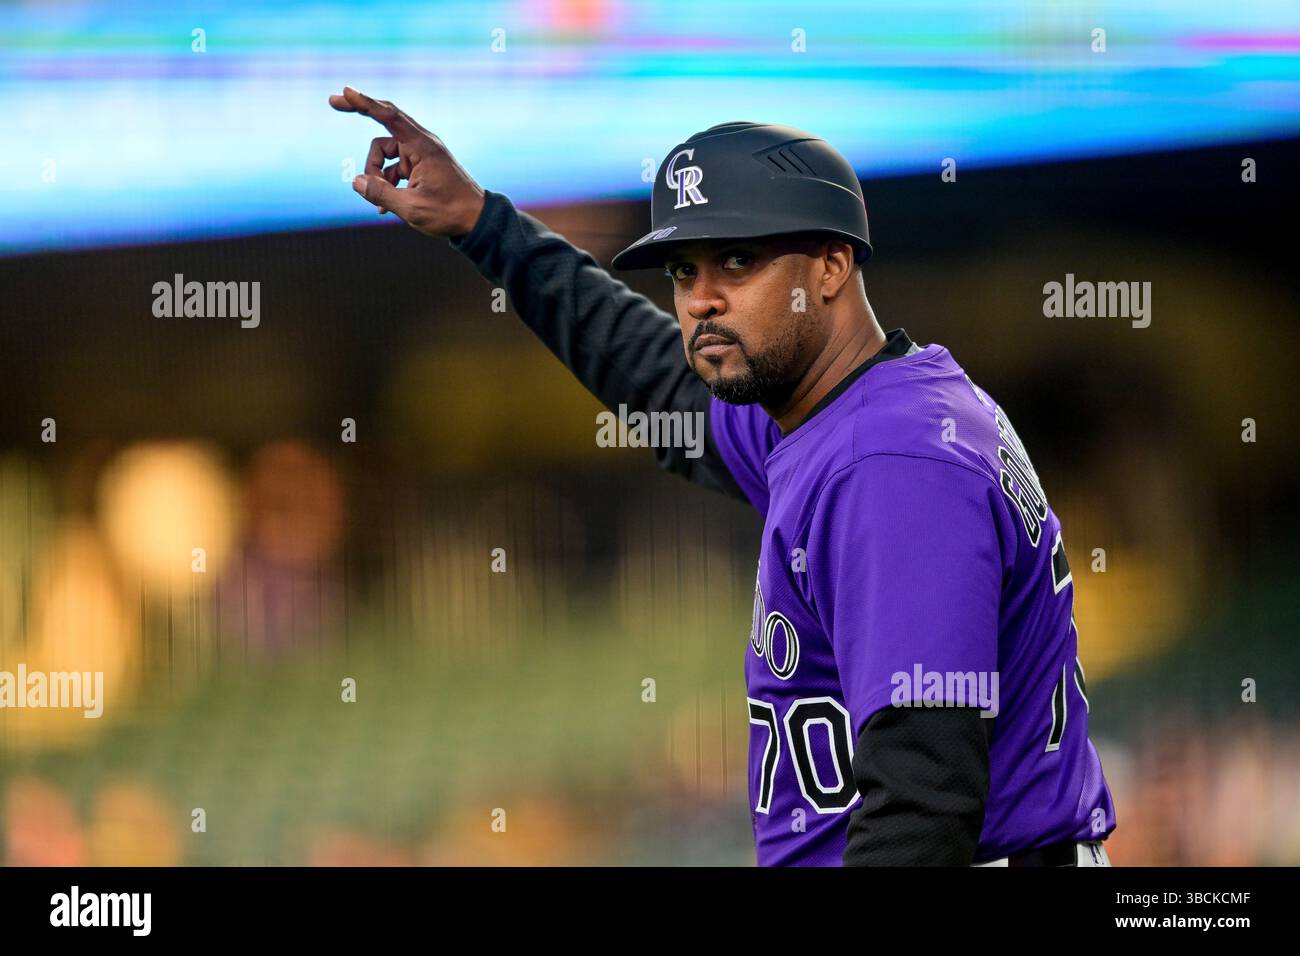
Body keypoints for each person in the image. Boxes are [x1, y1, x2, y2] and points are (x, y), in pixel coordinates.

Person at [329, 86, 1117, 866]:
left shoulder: (889, 465)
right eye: (682, 269)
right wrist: (484, 225)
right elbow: (659, 381)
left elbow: (924, 802)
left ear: (833, 265)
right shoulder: (829, 411)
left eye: (739, 261)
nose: (702, 299)